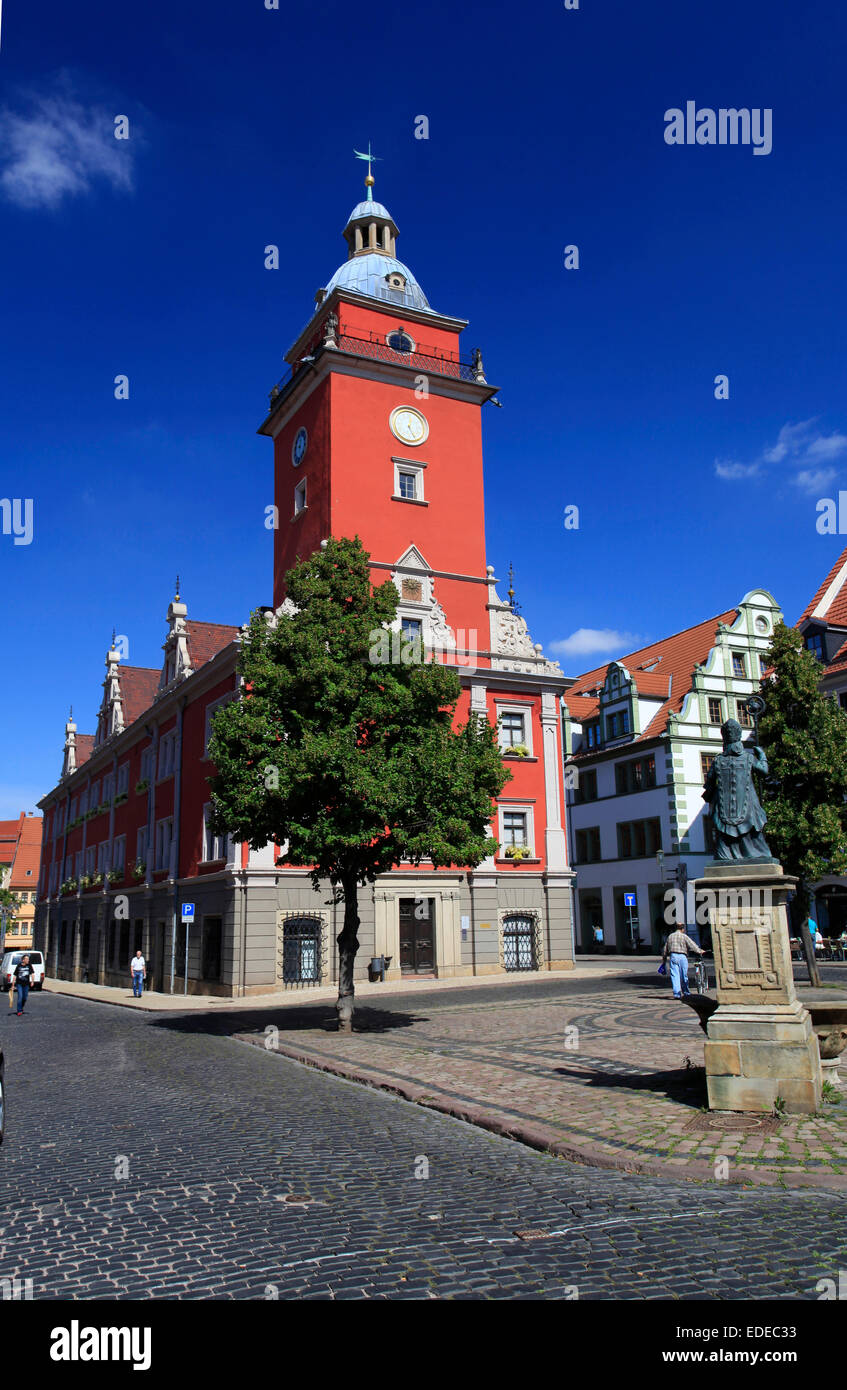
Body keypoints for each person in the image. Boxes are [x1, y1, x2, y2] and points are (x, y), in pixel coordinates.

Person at [662, 928, 705, 1000]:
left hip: (673, 956)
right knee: (683, 975)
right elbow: (692, 945)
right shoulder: (684, 936)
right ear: (682, 929)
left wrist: (664, 959)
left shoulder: (670, 936)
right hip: (682, 956)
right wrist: (700, 951)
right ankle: (686, 992)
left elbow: (665, 949)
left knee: (674, 975)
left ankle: (677, 994)